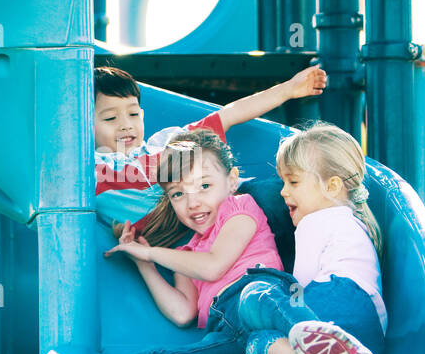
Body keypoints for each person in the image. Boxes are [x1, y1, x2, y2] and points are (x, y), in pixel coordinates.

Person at [107, 129, 287, 354]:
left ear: (231, 181)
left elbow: (213, 266)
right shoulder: (185, 254)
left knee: (258, 298)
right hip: (228, 337)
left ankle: (310, 353)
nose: (193, 203)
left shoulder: (240, 209)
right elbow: (183, 314)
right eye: (178, 194)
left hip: (259, 305)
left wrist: (152, 252)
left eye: (204, 186)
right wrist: (144, 264)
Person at [233, 122, 387, 354]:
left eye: (292, 182)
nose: (282, 192)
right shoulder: (355, 222)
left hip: (334, 301)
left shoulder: (316, 221)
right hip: (369, 337)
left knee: (255, 295)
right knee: (257, 339)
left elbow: (298, 289)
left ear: (331, 186)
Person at [93, 64, 326, 234]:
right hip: (188, 231)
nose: (126, 124)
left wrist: (289, 89)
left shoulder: (166, 144)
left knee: (283, 192)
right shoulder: (90, 173)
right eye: (111, 118)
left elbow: (229, 115)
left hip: (234, 203)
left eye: (133, 114)